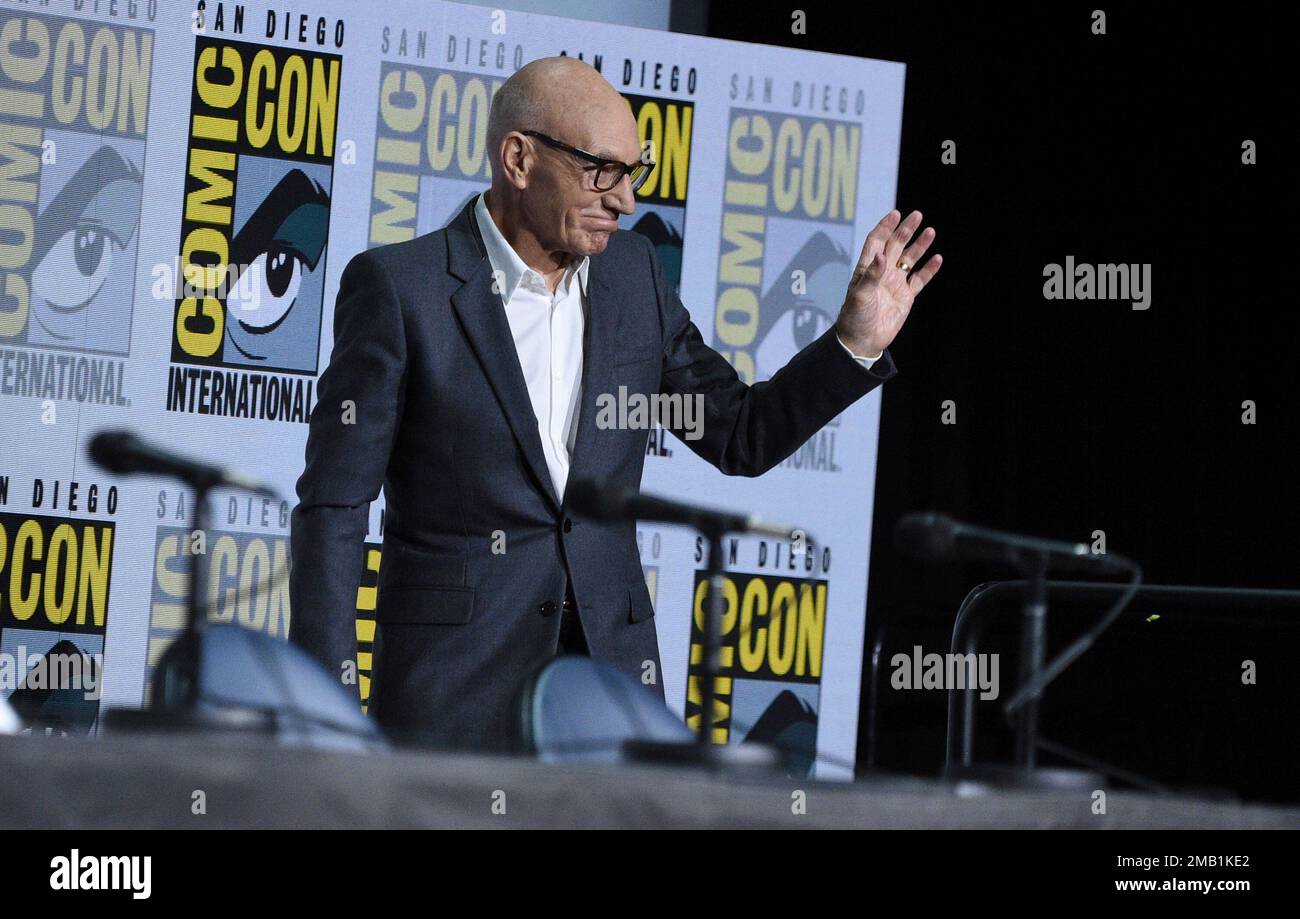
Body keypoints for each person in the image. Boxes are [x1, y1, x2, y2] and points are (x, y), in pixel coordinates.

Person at [288, 56, 941, 753]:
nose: (626, 200)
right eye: (602, 170)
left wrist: (852, 343)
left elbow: (739, 434)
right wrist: (326, 704)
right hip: (451, 695)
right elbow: (334, 505)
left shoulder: (634, 278)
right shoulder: (399, 289)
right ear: (518, 158)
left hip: (611, 695)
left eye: (635, 172)